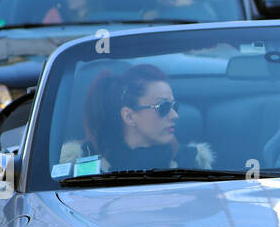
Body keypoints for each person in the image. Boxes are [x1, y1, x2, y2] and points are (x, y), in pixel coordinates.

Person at [59, 64, 212, 172]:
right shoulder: (78, 166)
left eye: (174, 106)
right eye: (164, 107)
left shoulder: (192, 163)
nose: (175, 115)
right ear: (129, 116)